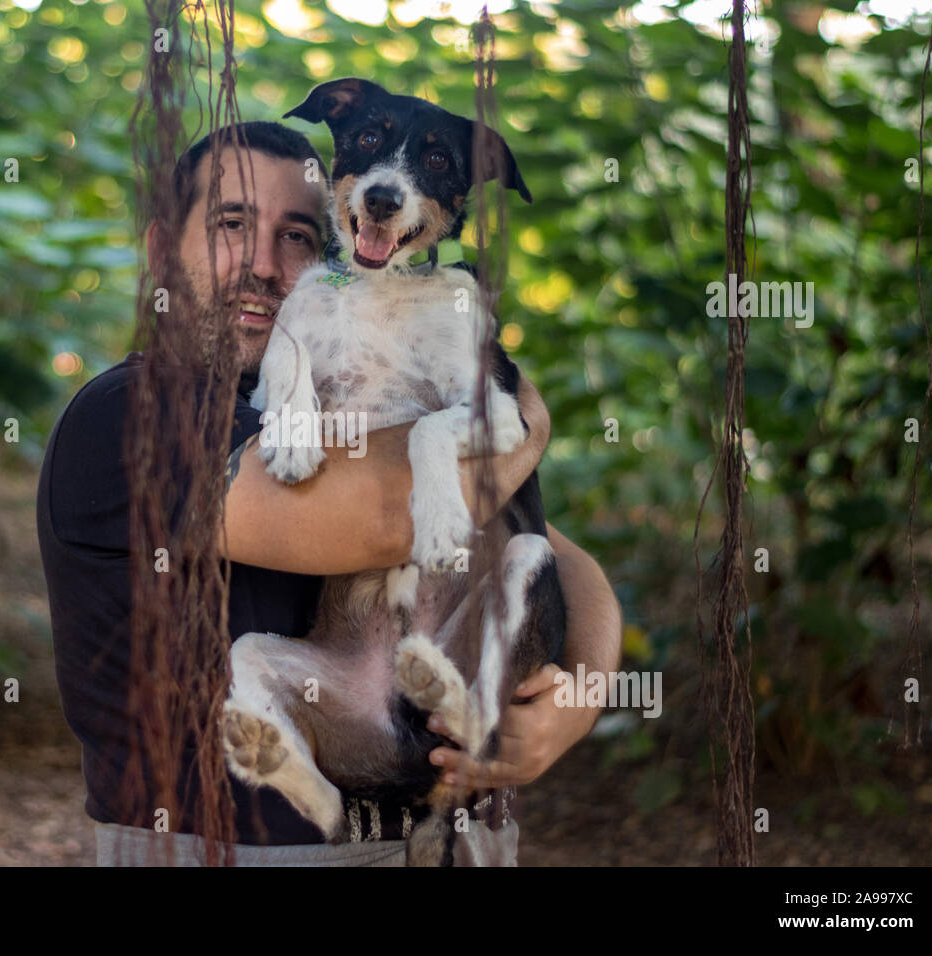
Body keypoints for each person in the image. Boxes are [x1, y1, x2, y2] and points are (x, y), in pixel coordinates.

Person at [37, 120, 622, 866]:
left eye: (296, 237)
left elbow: (557, 554)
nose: (263, 265)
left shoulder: (350, 396)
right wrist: (527, 417)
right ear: (159, 250)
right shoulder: (131, 416)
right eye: (231, 224)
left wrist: (579, 697)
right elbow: (385, 520)